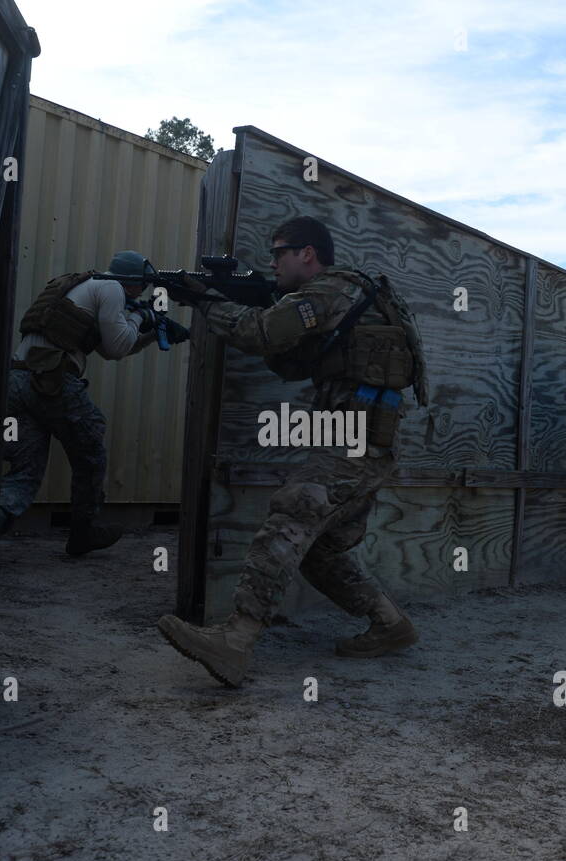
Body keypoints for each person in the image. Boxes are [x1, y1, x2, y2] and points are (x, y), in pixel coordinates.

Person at [156, 216, 429, 687]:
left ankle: (235, 642)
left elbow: (260, 334)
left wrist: (206, 301)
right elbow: (289, 361)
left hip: (355, 437)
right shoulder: (351, 296)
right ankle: (390, 624)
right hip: (365, 436)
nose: (272, 262)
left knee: (292, 512)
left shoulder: (330, 291)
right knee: (321, 551)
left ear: (307, 253)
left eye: (278, 252)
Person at [0, 250, 189, 555]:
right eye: (143, 285)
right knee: (90, 446)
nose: (144, 291)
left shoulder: (89, 286)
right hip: (51, 381)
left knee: (26, 470)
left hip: (19, 380)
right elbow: (116, 348)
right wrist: (143, 315)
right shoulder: (112, 288)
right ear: (133, 281)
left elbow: (112, 348)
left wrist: (152, 333)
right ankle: (82, 532)